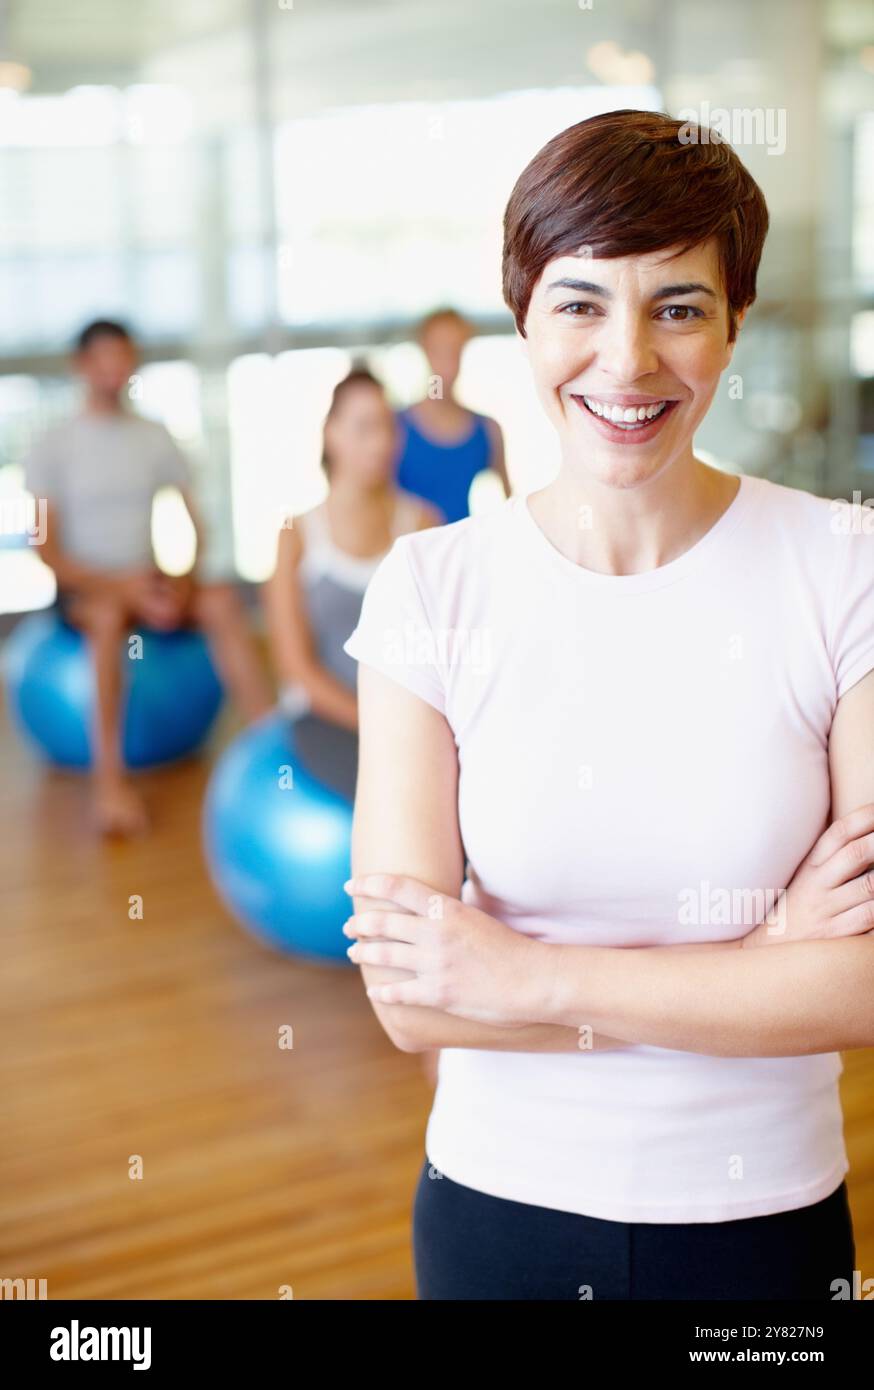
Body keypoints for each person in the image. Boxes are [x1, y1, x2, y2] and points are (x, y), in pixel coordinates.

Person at [341, 109, 874, 1300]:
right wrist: (764, 961)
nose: (626, 362)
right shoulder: (434, 585)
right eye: (580, 303)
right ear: (524, 320)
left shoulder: (848, 569)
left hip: (762, 1223)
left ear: (733, 324)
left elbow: (866, 982)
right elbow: (409, 1000)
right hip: (499, 1214)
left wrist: (529, 975)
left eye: (677, 306)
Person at [23, 319, 273, 837]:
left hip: (150, 581)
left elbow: (196, 525)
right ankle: (110, 787)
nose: (118, 369)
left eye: (125, 357)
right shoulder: (53, 445)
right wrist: (120, 587)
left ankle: (271, 750)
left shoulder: (153, 436)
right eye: (106, 358)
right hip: (87, 592)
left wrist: (181, 581)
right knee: (111, 616)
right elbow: (45, 547)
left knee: (223, 601)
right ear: (82, 367)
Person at [263, 364, 441, 809]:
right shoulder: (296, 534)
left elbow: (439, 648)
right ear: (331, 434)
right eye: (364, 428)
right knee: (394, 800)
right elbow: (295, 668)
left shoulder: (422, 522)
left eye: (387, 427)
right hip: (327, 717)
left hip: (409, 713)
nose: (380, 443)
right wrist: (376, 720)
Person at [395, 308, 510, 522]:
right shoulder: (393, 427)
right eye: (439, 350)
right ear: (424, 350)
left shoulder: (487, 430)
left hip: (466, 552)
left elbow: (507, 510)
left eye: (454, 351)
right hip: (408, 552)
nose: (447, 364)